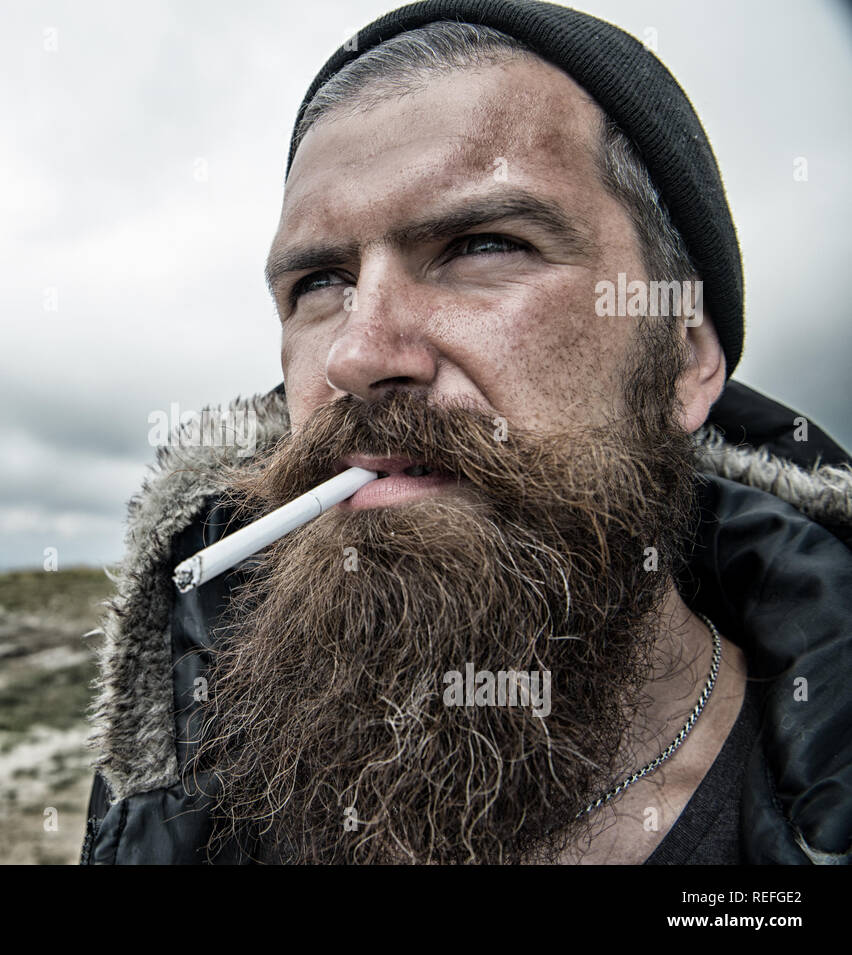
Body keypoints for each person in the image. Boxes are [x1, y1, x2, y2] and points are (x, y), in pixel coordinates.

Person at [81, 0, 852, 864]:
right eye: (319, 281)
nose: (359, 354)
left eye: (482, 244)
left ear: (684, 355)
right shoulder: (189, 769)